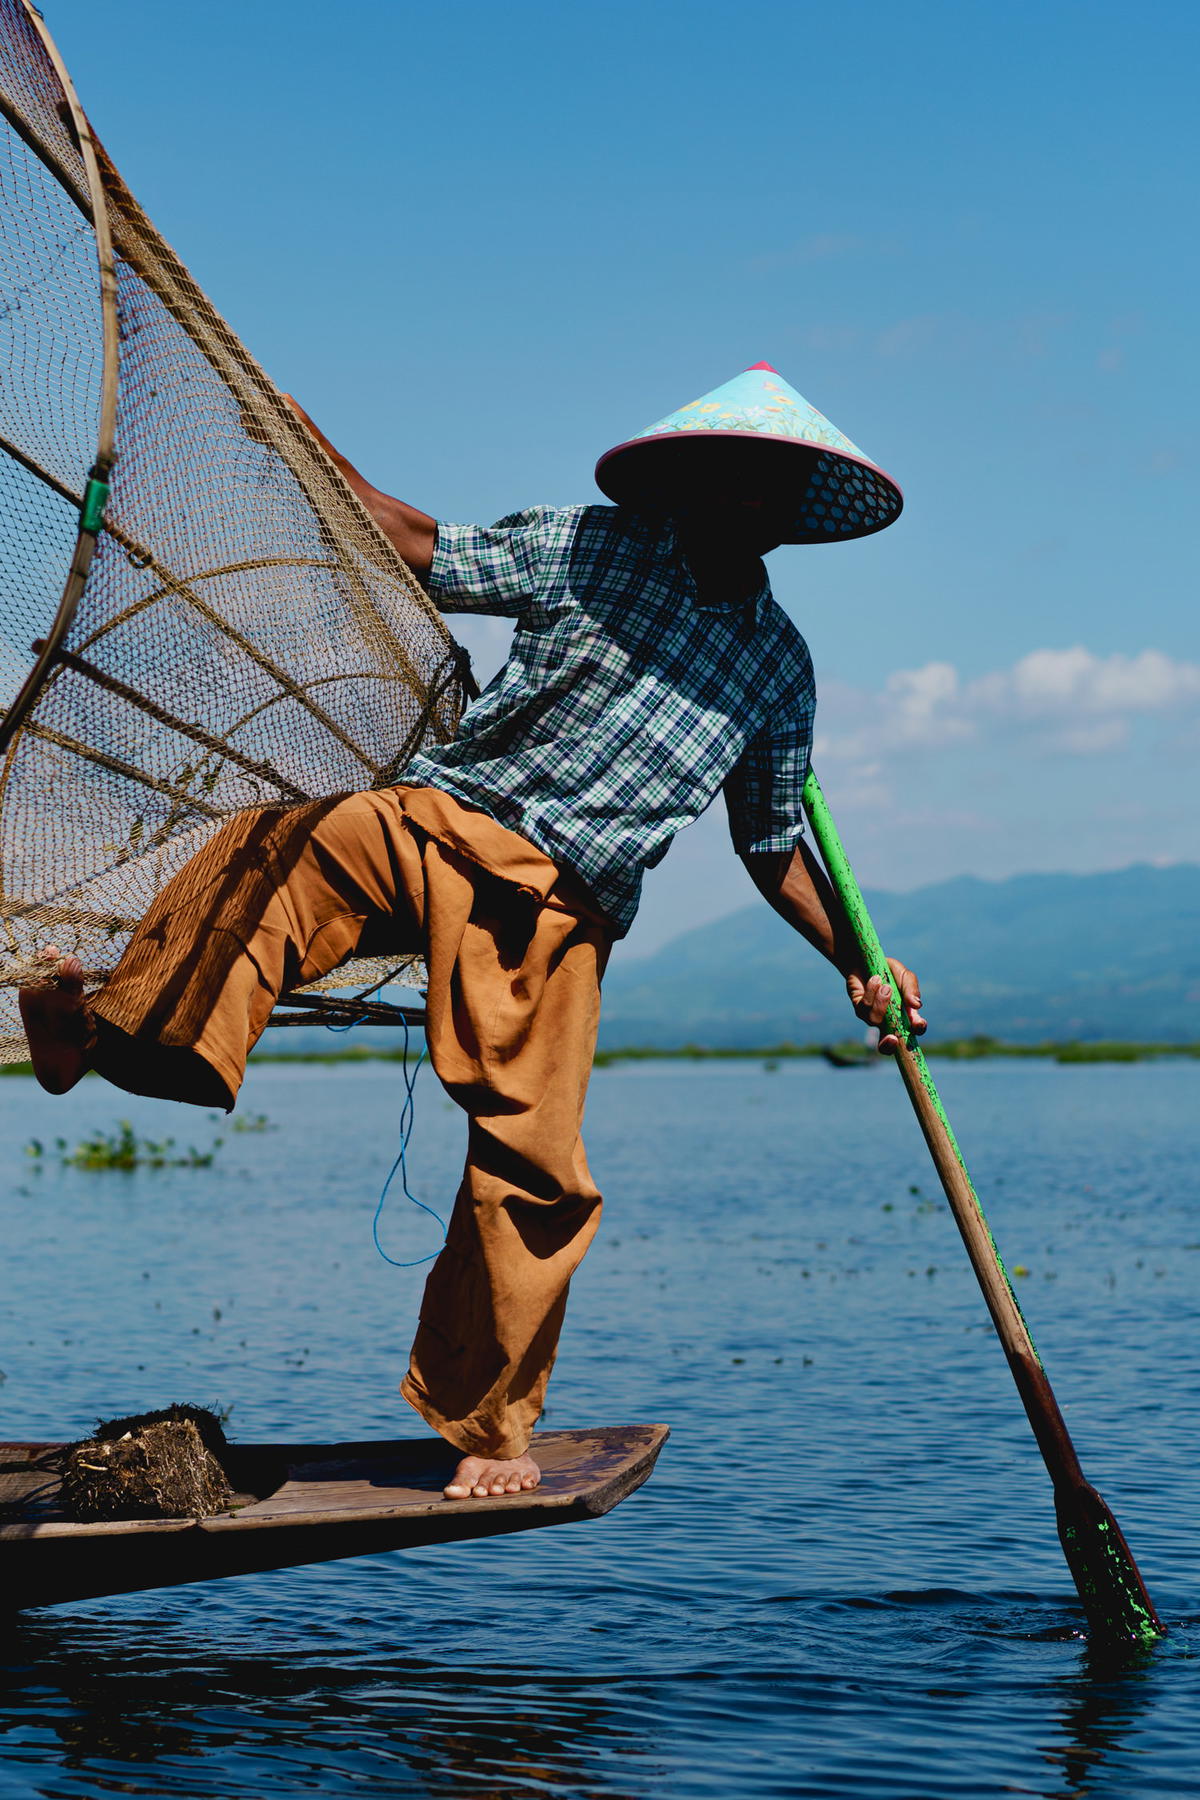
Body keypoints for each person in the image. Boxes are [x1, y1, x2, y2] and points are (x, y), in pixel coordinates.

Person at [20, 363, 926, 1502]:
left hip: (565, 914)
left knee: (537, 1175)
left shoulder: (776, 667)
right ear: (690, 481)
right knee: (280, 846)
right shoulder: (590, 547)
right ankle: (98, 1033)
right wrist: (308, 443)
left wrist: (860, 958)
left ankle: (491, 1429)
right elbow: (420, 547)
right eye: (729, 478)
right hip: (444, 824)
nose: (748, 503)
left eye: (770, 491)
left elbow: (774, 842)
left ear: (789, 514)